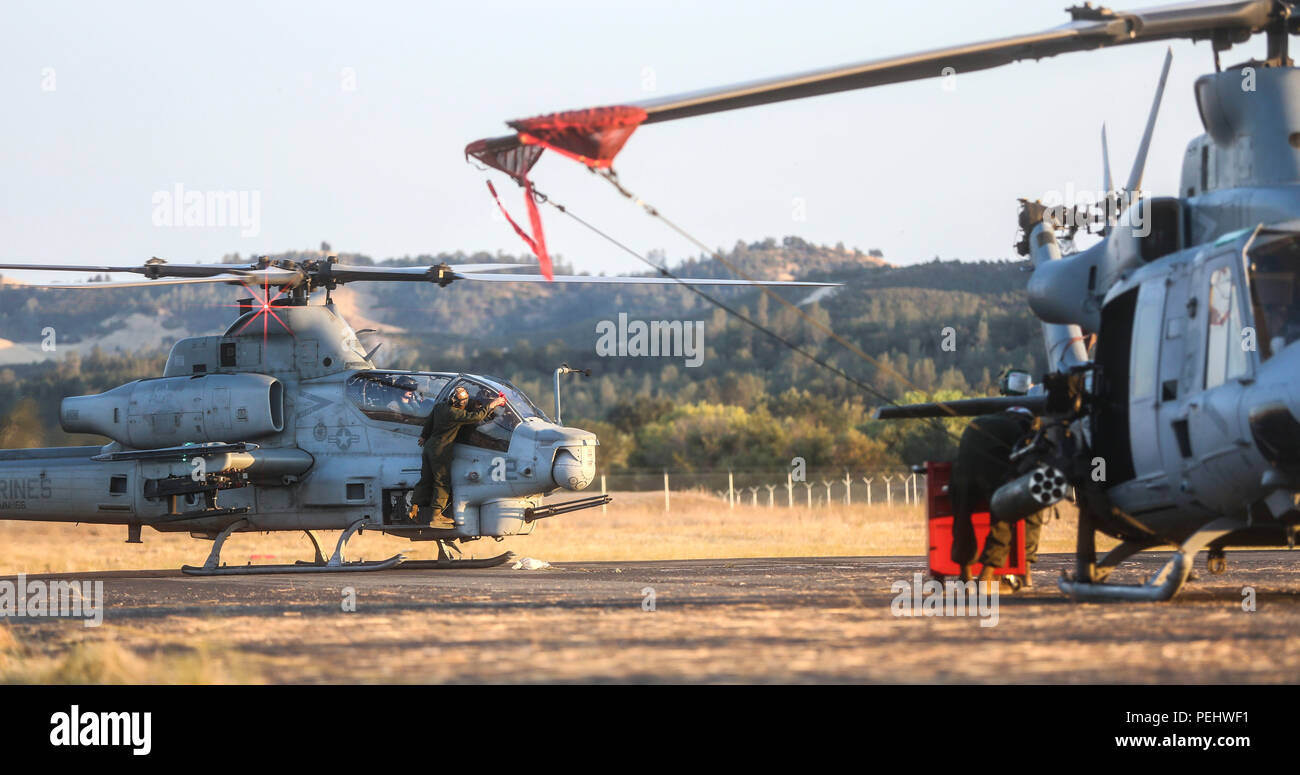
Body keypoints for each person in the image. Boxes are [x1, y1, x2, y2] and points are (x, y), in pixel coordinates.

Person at [949, 407, 1042, 587]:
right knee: (1003, 516)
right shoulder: (1022, 428)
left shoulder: (983, 419)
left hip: (962, 468)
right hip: (991, 469)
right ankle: (986, 576)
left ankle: (965, 575)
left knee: (961, 518)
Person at [408, 385, 506, 527]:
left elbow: (430, 421)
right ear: (461, 403)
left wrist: (423, 436)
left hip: (429, 446)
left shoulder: (440, 407)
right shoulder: (455, 414)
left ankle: (414, 508)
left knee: (426, 479)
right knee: (442, 481)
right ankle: (436, 517)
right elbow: (476, 417)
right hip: (441, 450)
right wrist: (493, 404)